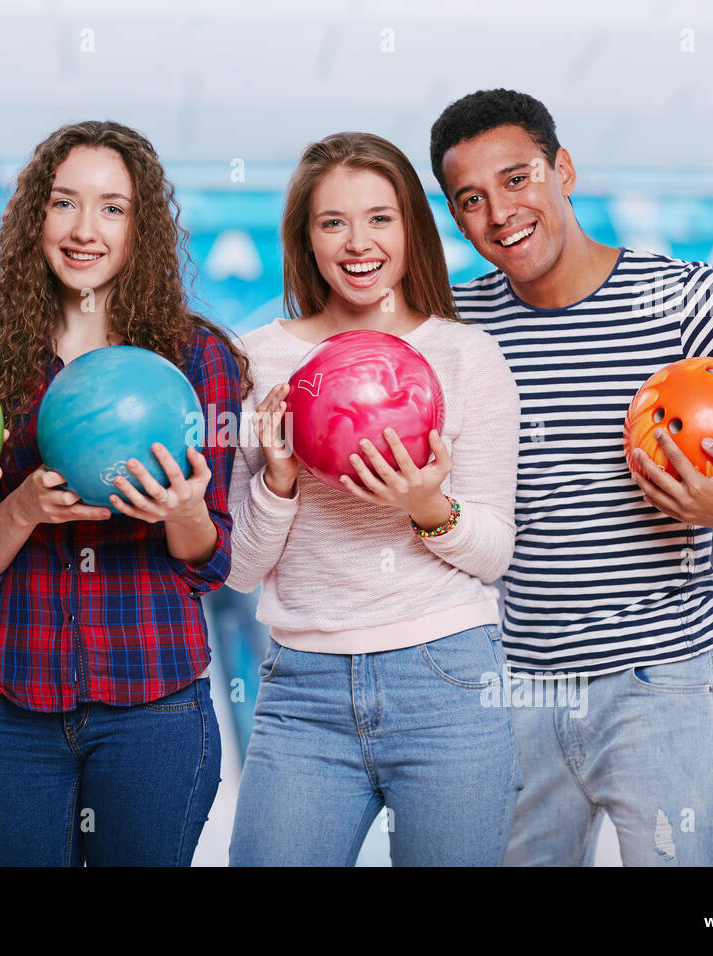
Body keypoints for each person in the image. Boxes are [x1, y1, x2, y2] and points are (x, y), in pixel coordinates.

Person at [431, 88, 713, 866]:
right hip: (511, 684)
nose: (500, 212)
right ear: (456, 217)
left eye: (518, 178)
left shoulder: (692, 301)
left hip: (664, 683)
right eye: (471, 199)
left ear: (562, 169)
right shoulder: (459, 327)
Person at [0, 120, 247, 866]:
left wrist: (180, 512)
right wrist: (22, 509)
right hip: (17, 710)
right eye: (63, 204)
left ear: (140, 228)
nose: (85, 229)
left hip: (155, 706)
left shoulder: (197, 355)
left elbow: (211, 562)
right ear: (33, 220)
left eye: (112, 208)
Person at [226, 132, 522, 866]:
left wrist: (430, 507)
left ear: (410, 228)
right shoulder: (258, 358)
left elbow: (493, 552)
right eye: (333, 222)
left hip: (449, 682)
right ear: (307, 238)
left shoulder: (465, 355)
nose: (358, 242)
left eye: (380, 217)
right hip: (303, 689)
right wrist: (280, 479)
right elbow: (235, 569)